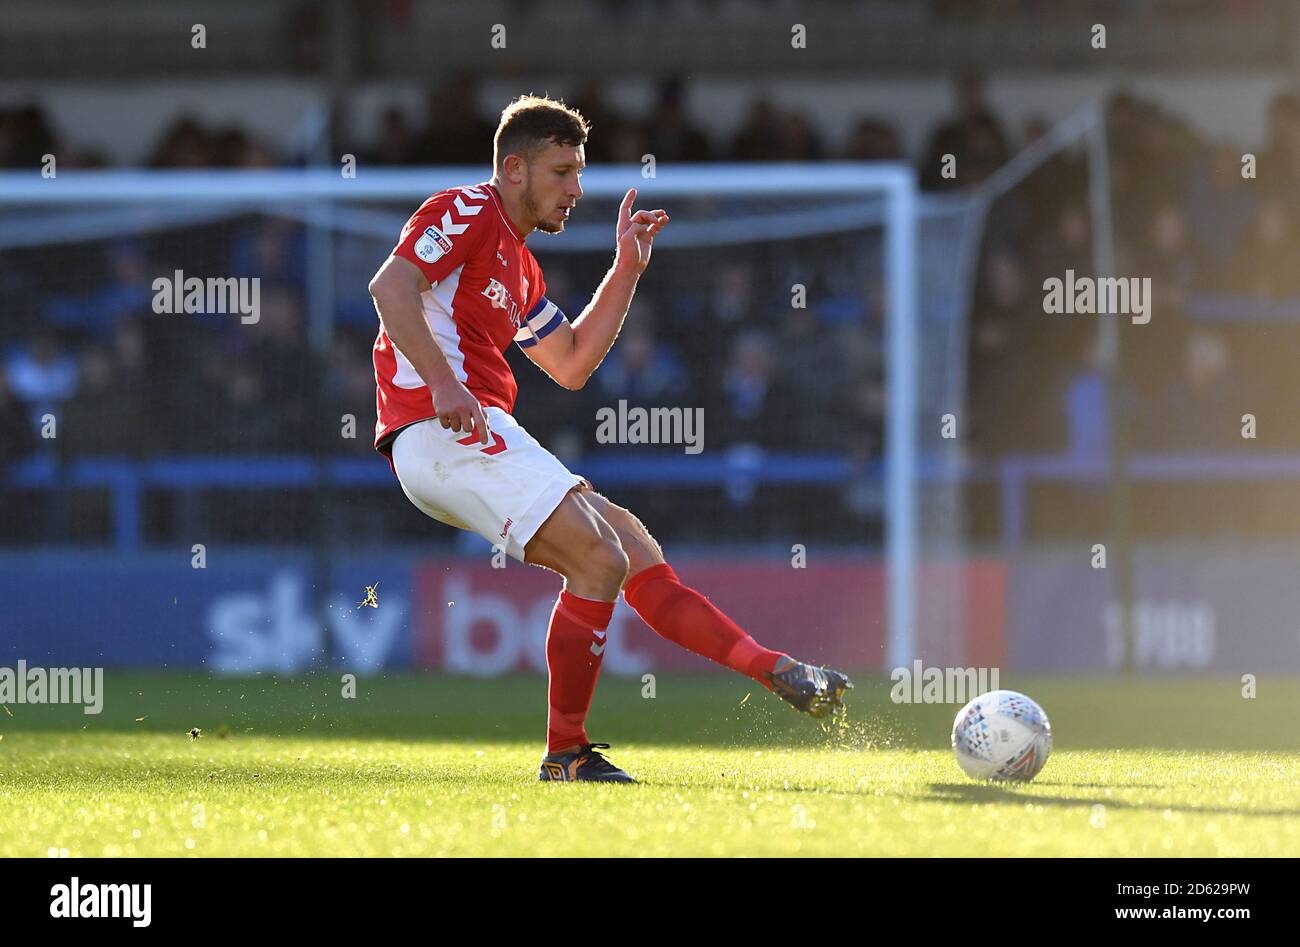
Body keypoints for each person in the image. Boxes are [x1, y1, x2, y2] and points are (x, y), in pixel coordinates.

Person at [367, 95, 851, 783]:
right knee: (597, 558)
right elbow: (391, 286)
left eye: (580, 172)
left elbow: (568, 361)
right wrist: (445, 385)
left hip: (482, 427)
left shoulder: (521, 265)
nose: (577, 188)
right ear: (513, 169)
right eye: (562, 171)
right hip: (438, 427)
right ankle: (565, 753)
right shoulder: (468, 209)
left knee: (630, 547)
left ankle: (773, 669)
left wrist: (627, 266)